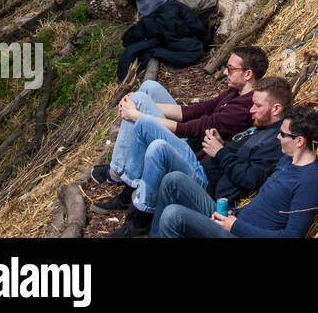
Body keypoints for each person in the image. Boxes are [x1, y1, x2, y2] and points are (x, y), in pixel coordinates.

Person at [106, 76, 292, 238]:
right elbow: (202, 113)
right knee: (144, 105)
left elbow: (250, 178)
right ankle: (135, 202)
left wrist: (220, 152)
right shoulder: (260, 124)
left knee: (156, 144)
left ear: (276, 109)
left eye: (257, 105)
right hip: (202, 165)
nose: (251, 110)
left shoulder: (275, 140)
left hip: (206, 184)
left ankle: (135, 208)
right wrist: (223, 145)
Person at [93, 46, 268, 215]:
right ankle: (119, 169)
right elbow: (196, 111)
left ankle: (117, 173)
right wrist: (143, 105)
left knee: (139, 108)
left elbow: (188, 129)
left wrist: (137, 115)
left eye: (230, 69)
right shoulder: (234, 93)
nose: (224, 72)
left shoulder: (242, 110)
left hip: (192, 154)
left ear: (248, 74)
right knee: (147, 89)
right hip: (191, 143)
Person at [153, 106, 318, 238]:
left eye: (283, 134)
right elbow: (263, 205)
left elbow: (291, 235)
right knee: (173, 180)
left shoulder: (309, 181)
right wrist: (234, 213)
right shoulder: (287, 160)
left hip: (238, 233)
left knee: (173, 215)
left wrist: (235, 226)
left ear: (299, 141)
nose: (278, 137)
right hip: (236, 220)